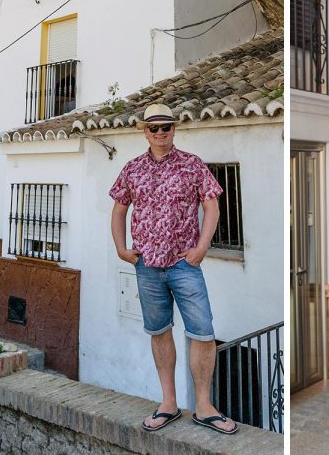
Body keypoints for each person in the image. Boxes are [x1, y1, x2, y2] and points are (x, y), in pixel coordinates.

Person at [109, 103, 238, 435]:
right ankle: (168, 403)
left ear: (174, 129)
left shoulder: (192, 165)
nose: (161, 133)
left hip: (184, 264)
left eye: (166, 127)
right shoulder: (132, 168)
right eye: (155, 128)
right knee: (159, 331)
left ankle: (204, 407)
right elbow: (119, 209)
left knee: (203, 332)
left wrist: (202, 247)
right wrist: (121, 249)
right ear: (145, 131)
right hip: (147, 266)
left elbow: (212, 206)